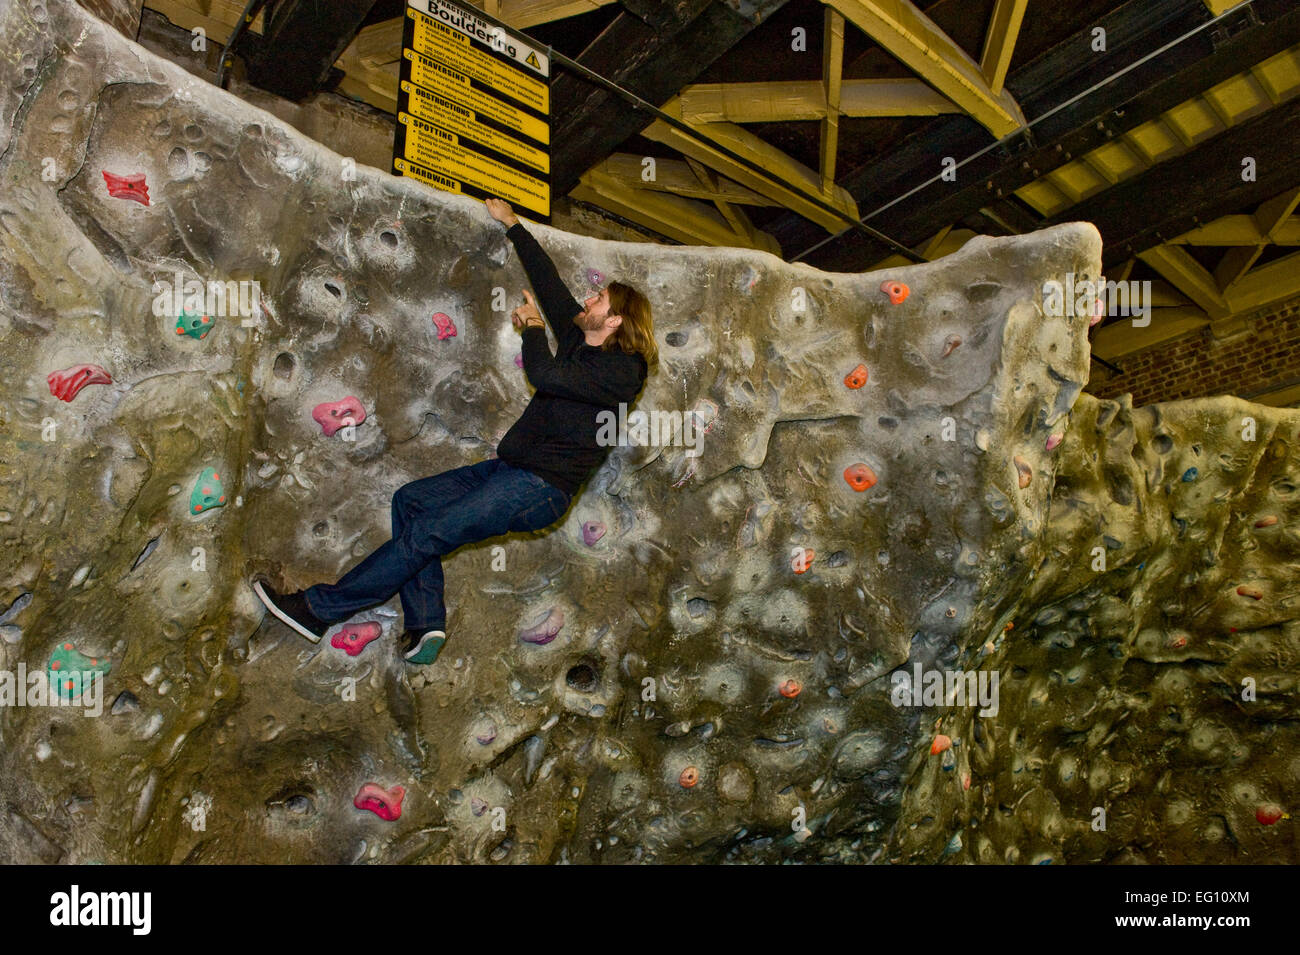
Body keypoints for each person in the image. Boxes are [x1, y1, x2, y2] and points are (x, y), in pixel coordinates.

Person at [253, 197, 658, 664]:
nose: (589, 299)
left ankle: (316, 610)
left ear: (614, 321)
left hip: (538, 489)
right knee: (412, 502)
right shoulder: (579, 343)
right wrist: (513, 225)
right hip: (512, 471)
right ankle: (425, 624)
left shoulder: (624, 371)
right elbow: (550, 285)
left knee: (428, 535)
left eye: (599, 299)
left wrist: (531, 330)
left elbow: (545, 376)